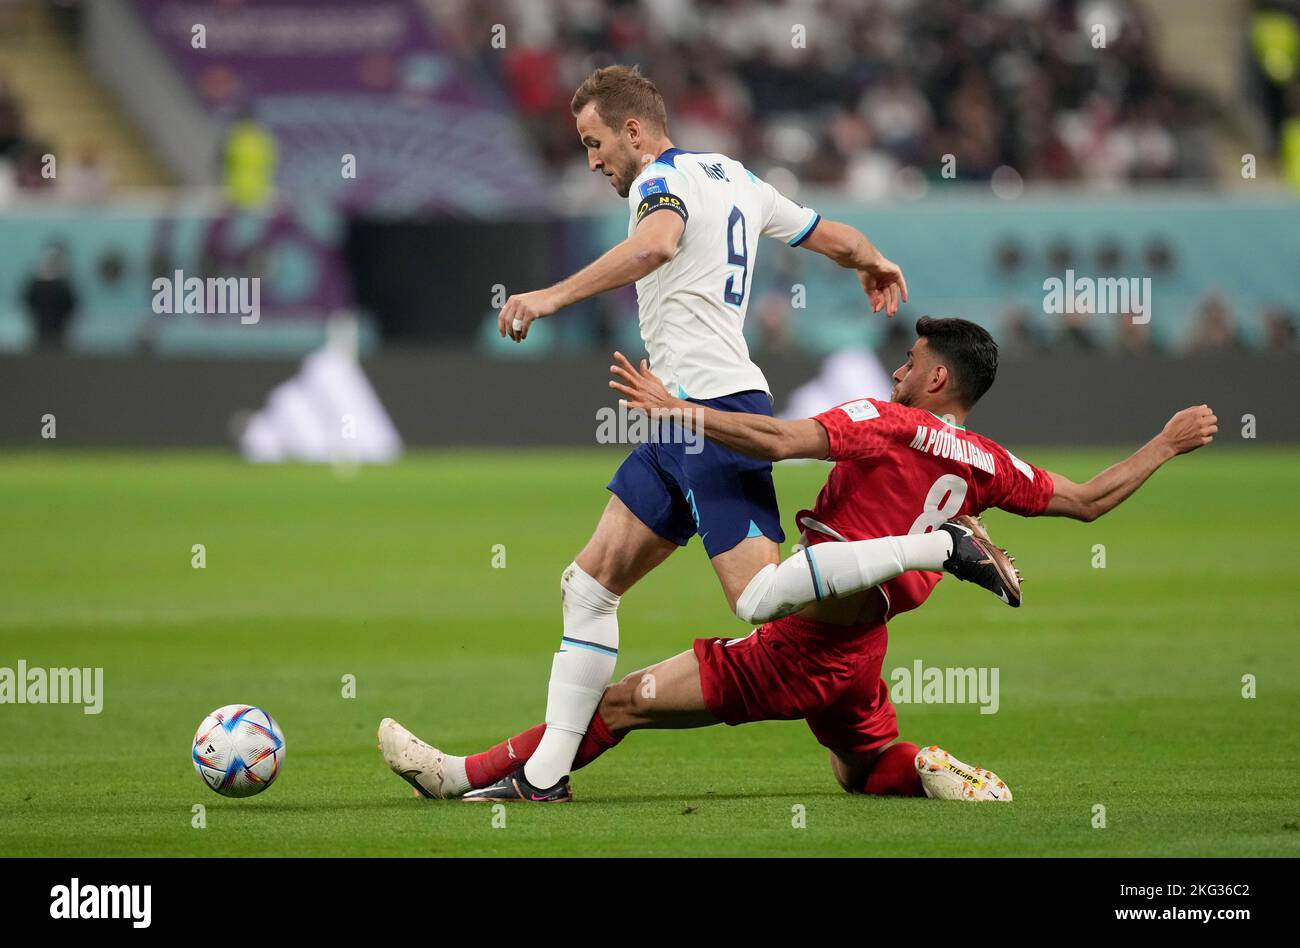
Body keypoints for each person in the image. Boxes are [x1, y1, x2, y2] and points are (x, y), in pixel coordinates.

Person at [380, 317, 1218, 802]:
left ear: (935, 378)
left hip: (801, 645)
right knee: (858, 771)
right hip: (862, 651)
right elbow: (1089, 499)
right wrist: (1167, 443)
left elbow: (778, 439)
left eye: (912, 359)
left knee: (626, 700)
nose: (898, 366)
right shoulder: (995, 464)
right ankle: (924, 770)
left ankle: (463, 777)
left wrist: (684, 411)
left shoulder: (886, 421)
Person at [459, 64, 909, 800]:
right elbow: (831, 234)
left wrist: (549, 296)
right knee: (588, 585)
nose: (593, 159)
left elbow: (657, 245)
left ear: (635, 130)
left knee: (760, 598)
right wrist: (874, 261)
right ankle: (544, 779)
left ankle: (927, 550)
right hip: (676, 415)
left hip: (716, 411)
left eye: (595, 141)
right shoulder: (736, 177)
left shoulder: (656, 184)